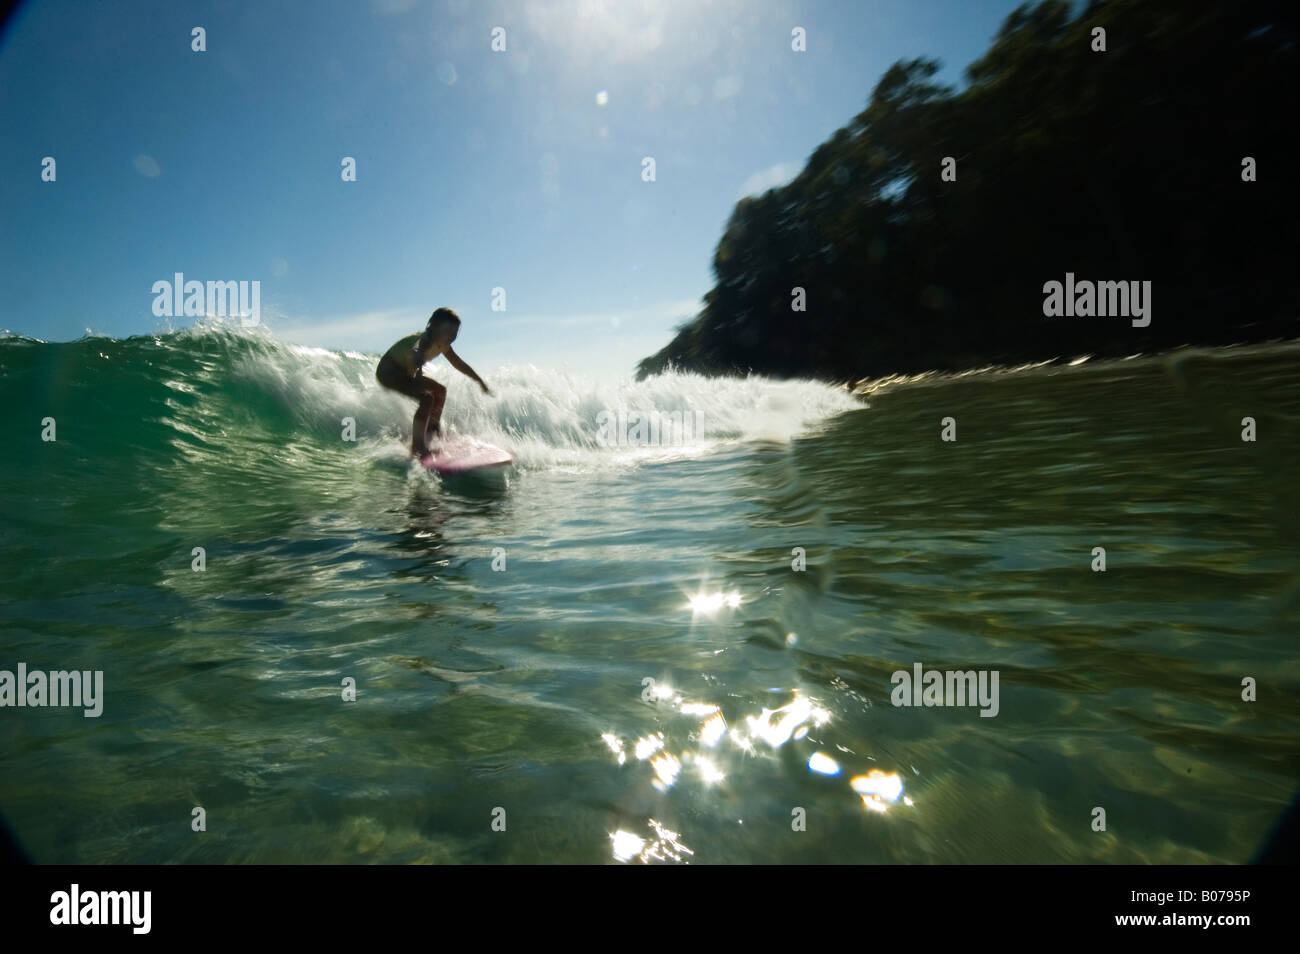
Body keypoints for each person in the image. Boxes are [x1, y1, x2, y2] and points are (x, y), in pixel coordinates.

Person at [375, 308, 491, 457]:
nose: (452, 336)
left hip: (406, 372)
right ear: (434, 327)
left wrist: (479, 380)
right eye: (448, 331)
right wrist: (417, 361)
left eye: (455, 332)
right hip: (389, 372)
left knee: (440, 391)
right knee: (427, 398)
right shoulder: (424, 340)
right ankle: (417, 447)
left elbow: (459, 364)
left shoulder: (443, 345)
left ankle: (431, 430)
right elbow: (417, 349)